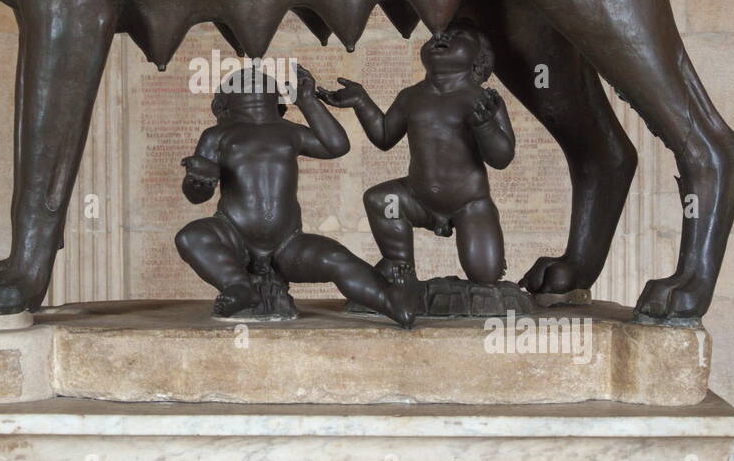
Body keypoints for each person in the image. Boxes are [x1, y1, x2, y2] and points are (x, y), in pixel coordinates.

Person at [176, 64, 418, 327]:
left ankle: (390, 302)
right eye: (242, 82)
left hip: (288, 243)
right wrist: (199, 180)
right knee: (191, 236)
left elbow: (335, 145)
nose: (253, 83)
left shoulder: (289, 131)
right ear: (224, 102)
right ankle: (237, 285)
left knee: (336, 258)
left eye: (261, 83)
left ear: (278, 99)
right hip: (233, 233)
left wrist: (307, 101)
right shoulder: (217, 135)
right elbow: (196, 196)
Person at [319, 21, 514, 286]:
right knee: (381, 200)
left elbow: (501, 158)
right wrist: (360, 101)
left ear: (478, 59)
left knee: (485, 277)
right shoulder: (411, 97)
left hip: (470, 203)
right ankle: (399, 264)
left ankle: (487, 246)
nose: (441, 36)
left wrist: (486, 126)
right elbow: (385, 137)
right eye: (437, 34)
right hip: (417, 198)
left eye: (457, 36)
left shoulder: (482, 100)